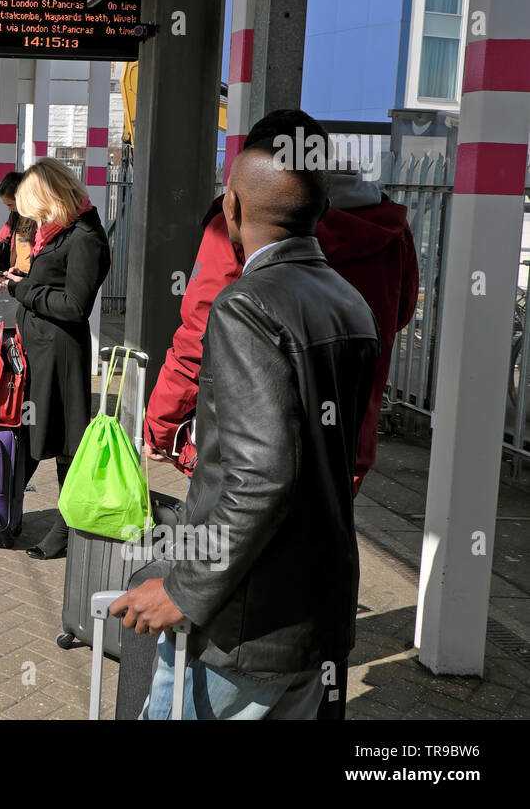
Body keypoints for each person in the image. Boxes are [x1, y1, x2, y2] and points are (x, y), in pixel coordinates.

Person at [112, 140, 380, 720]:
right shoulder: (351, 302)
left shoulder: (246, 306)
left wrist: (183, 590)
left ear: (230, 207)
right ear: (322, 208)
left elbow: (261, 474)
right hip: (320, 609)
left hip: (245, 625)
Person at [144, 110, 419, 494]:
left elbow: (199, 331)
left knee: (228, 543)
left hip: (248, 440)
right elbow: (400, 314)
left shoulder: (242, 221)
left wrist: (163, 421)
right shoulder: (390, 229)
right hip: (346, 434)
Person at [0, 158, 110, 559]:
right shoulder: (61, 232)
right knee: (41, 434)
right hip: (39, 348)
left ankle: (67, 527)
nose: (32, 219)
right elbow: (50, 284)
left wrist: (24, 293)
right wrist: (20, 282)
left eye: (34, 208)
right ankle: (2, 508)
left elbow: (75, 305)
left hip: (61, 354)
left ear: (49, 197)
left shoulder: (85, 237)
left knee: (66, 442)